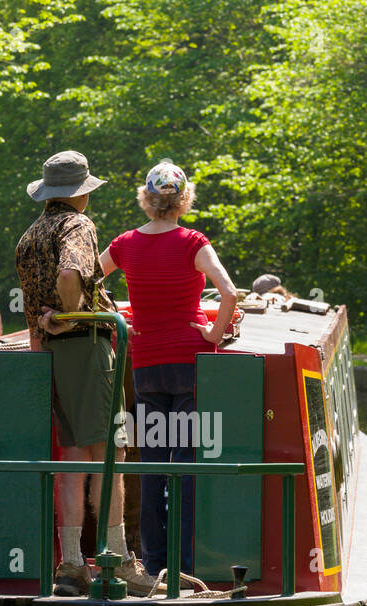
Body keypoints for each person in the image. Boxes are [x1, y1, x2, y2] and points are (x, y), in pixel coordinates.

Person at [15, 150, 157, 598]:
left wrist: (48, 326)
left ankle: (72, 564)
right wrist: (74, 311)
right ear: (80, 194)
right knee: (109, 457)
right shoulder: (77, 225)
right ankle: (121, 561)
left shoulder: (29, 236)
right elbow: (71, 273)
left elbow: (31, 307)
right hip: (86, 351)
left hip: (52, 355)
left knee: (72, 460)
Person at [99, 160, 238, 578]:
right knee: (188, 466)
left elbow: (86, 279)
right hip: (189, 364)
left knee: (153, 466)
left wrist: (115, 322)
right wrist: (214, 334)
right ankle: (188, 564)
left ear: (147, 199)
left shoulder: (125, 244)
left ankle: (155, 564)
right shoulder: (193, 241)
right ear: (183, 200)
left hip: (147, 366)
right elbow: (229, 292)